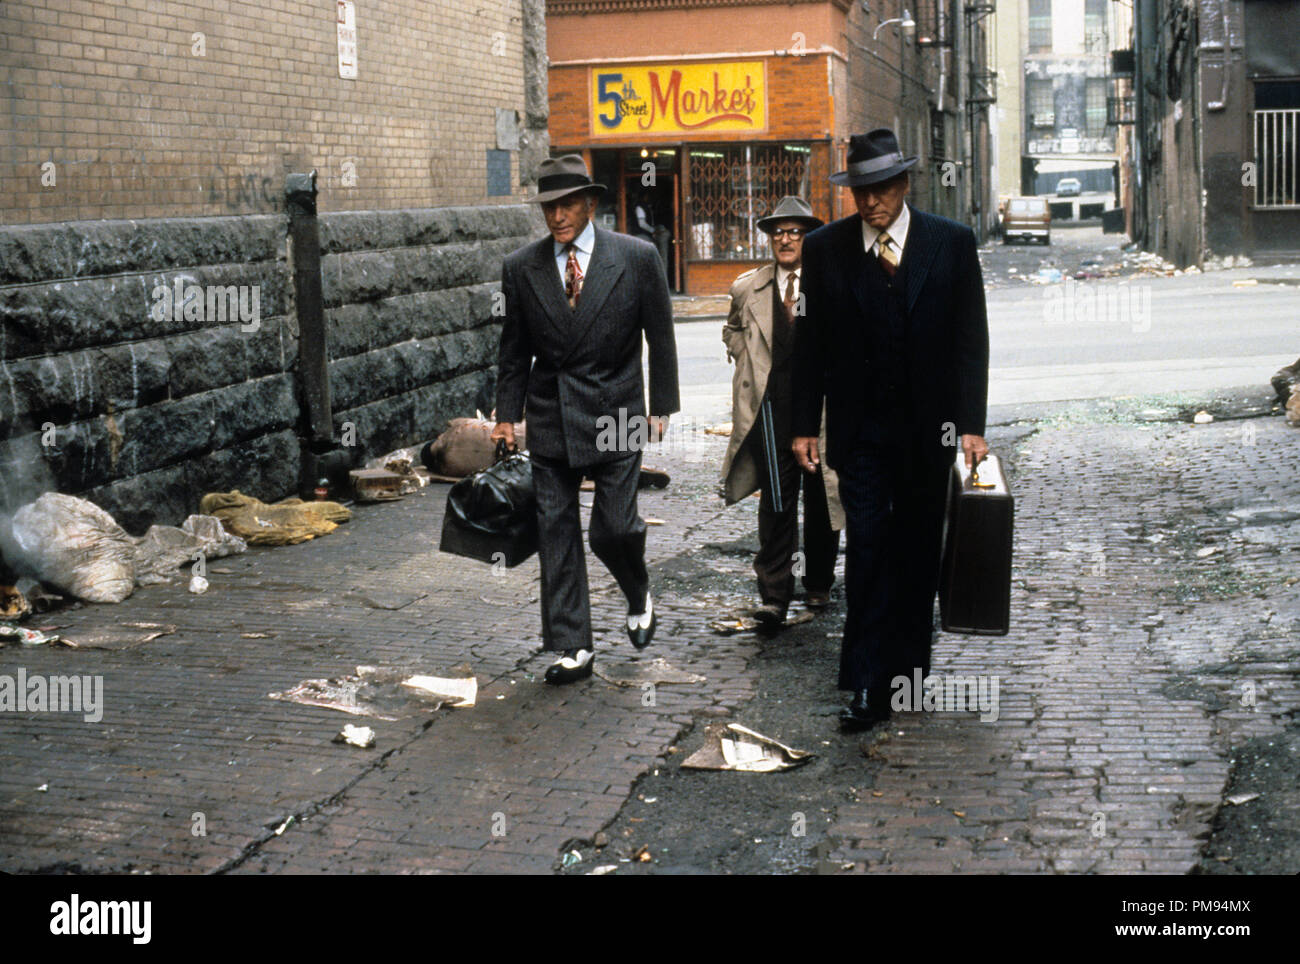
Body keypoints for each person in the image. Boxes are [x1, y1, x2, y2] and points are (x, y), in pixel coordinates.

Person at [791, 128, 990, 732]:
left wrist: (973, 427)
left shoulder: (950, 244)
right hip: (862, 437)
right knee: (869, 553)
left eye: (882, 188)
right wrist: (804, 425)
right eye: (860, 191)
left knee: (918, 557)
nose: (871, 201)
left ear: (904, 184)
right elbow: (809, 346)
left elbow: (969, 341)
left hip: (933, 435)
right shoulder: (825, 250)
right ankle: (866, 686)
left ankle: (908, 679)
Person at [492, 155, 680, 685]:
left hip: (616, 411)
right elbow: (513, 351)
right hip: (551, 413)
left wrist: (661, 406)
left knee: (614, 529)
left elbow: (660, 337)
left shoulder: (637, 257)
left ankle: (637, 589)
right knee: (556, 529)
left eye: (568, 205)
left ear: (590, 204)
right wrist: (507, 417)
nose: (558, 217)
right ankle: (572, 644)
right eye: (549, 207)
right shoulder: (521, 267)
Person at [720, 195, 843, 629]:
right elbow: (731, 328)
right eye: (778, 233)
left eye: (794, 232)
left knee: (823, 499)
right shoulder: (749, 287)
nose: (785, 240)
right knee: (775, 503)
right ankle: (773, 596)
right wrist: (746, 357)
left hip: (822, 414)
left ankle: (819, 583)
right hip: (771, 413)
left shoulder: (830, 282)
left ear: (809, 237)